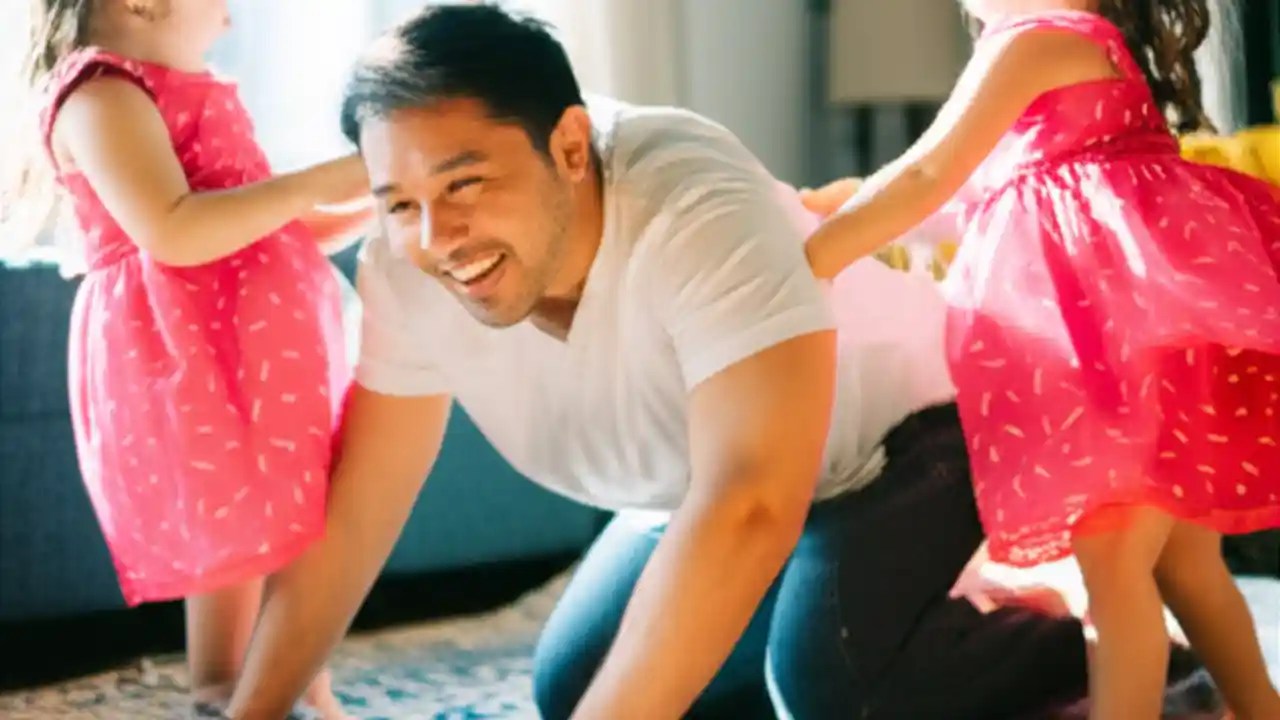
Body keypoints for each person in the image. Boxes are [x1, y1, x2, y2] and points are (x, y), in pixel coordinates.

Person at [223, 4, 1101, 719]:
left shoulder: (689, 195)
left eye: (465, 185)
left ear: (570, 148)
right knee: (576, 688)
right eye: (400, 201)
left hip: (906, 432)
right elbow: (363, 505)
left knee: (831, 689)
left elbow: (752, 500)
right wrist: (251, 712)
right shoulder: (406, 262)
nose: (436, 236)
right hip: (716, 477)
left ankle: (1056, 645)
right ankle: (891, 616)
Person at [803, 2, 1280, 718]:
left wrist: (805, 264)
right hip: (1150, 346)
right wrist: (838, 207)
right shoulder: (1069, 48)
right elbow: (964, 187)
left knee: (1115, 581)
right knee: (1186, 567)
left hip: (1119, 351)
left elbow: (927, 170)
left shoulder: (1039, 41)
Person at [0, 1, 371, 717]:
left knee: (281, 511)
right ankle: (227, 685)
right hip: (186, 355)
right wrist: (313, 183)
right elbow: (172, 229)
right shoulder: (101, 92)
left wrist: (382, 197)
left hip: (258, 352)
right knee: (232, 515)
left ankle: (277, 671)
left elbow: (271, 224)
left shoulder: (190, 86)